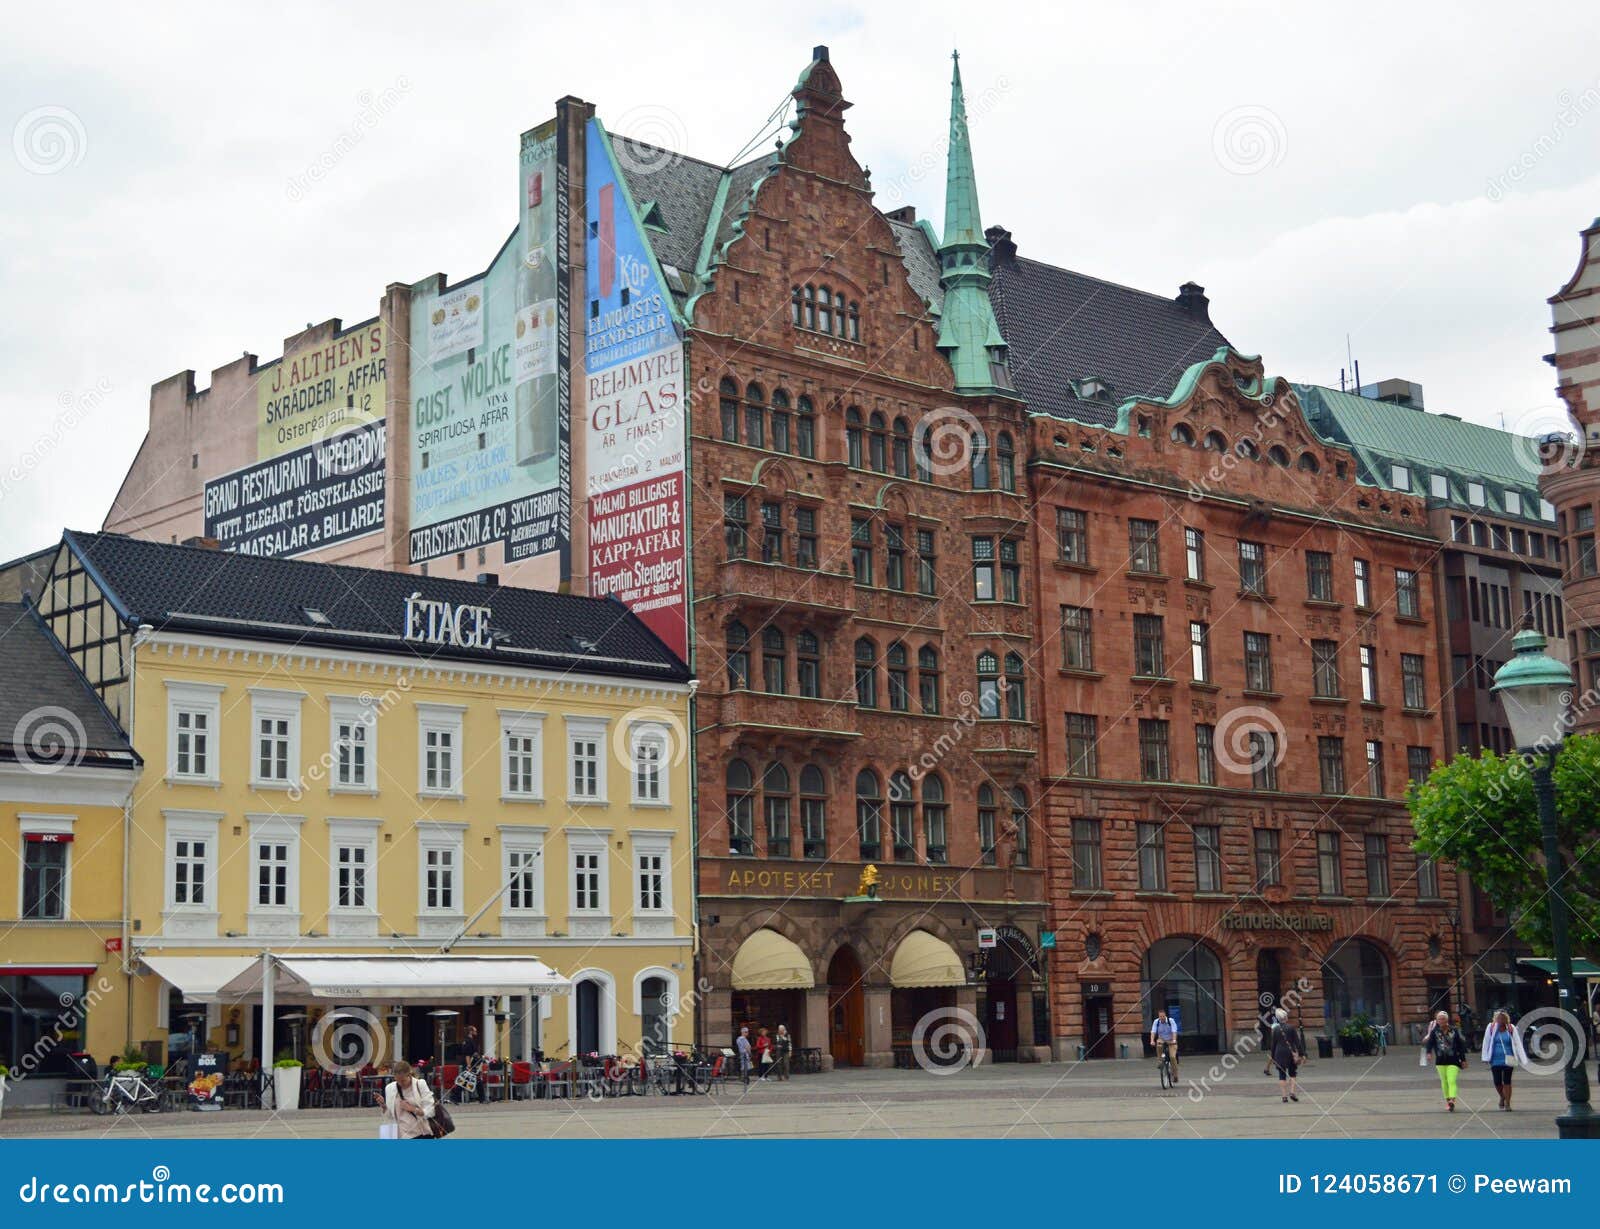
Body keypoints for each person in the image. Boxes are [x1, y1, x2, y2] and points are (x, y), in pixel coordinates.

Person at [1481, 1010, 1529, 1111]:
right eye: (1498, 1018)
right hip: (1495, 1059)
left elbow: (1517, 1043)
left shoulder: (1511, 1028)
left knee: (1507, 1081)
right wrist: (1485, 1057)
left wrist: (1523, 1058)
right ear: (1495, 1019)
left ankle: (1507, 1103)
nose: (1500, 1020)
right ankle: (1502, 1096)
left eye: (1503, 1018)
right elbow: (1486, 1042)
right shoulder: (1491, 1027)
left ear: (1506, 1019)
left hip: (1509, 1058)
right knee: (1497, 1081)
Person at [1423, 1010, 1468, 1112]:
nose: (1441, 1021)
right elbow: (1430, 1043)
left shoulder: (1454, 1030)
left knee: (1451, 1080)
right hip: (1440, 1060)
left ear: (1447, 1020)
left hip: (1453, 1060)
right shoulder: (1435, 1031)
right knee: (1444, 1081)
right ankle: (1448, 1101)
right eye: (1439, 1019)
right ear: (1437, 1021)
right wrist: (1429, 1053)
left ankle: (1452, 1100)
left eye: (1443, 1019)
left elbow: (1460, 1046)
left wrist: (1463, 1060)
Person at [383, 1060, 437, 1139]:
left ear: (409, 1075)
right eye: (397, 1081)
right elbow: (390, 1116)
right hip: (401, 1136)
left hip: (421, 1134)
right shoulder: (389, 1088)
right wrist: (383, 1106)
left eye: (403, 1080)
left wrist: (413, 1109)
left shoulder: (420, 1084)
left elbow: (431, 1111)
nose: (400, 1083)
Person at [1271, 1007, 1304, 1103]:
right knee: (1292, 1073)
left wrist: (1273, 1057)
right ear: (1286, 1017)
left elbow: (1273, 1045)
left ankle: (1284, 1096)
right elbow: (1297, 1042)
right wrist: (1301, 1054)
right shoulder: (1291, 1028)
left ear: (1278, 1018)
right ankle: (1292, 1092)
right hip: (1290, 1053)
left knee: (1282, 1075)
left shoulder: (1275, 1029)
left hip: (1279, 1053)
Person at [1149, 1007, 1179, 1083]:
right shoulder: (1156, 1022)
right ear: (1158, 1016)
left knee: (1172, 1057)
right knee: (1158, 1044)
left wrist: (1174, 1040)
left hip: (1171, 1040)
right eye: (1160, 1016)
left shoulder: (1170, 1021)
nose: (1162, 1018)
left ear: (1165, 1015)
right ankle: (1160, 1061)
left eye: (1163, 1016)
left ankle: (1175, 1075)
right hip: (1162, 1039)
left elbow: (1174, 1031)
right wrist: (1152, 1041)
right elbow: (1153, 1031)